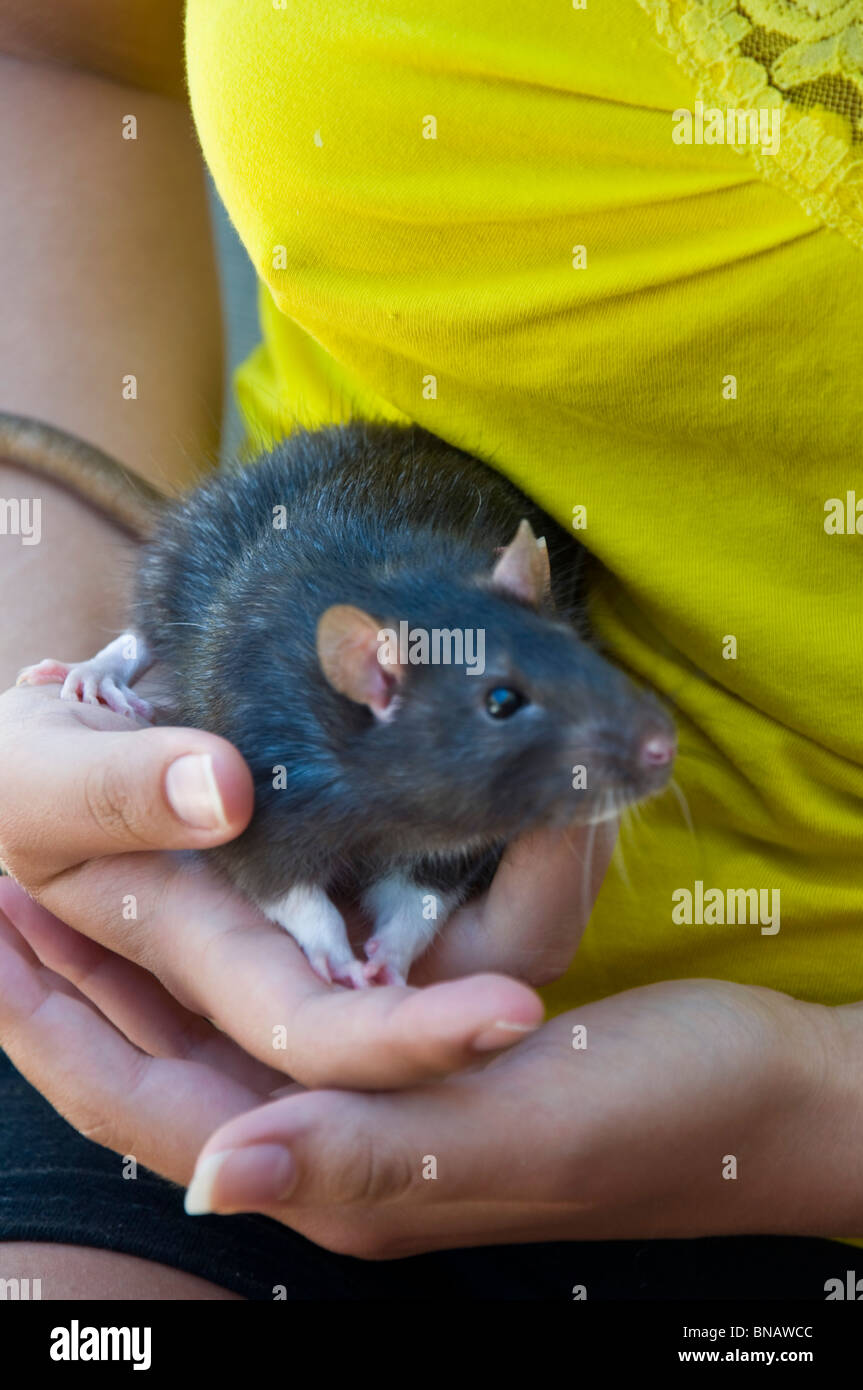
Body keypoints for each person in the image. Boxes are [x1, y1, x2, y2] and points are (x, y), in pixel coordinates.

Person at [0, 0, 861, 1301]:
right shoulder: (314, 726)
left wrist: (810, 1113)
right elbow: (54, 51)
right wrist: (65, 743)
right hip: (183, 988)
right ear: (373, 687)